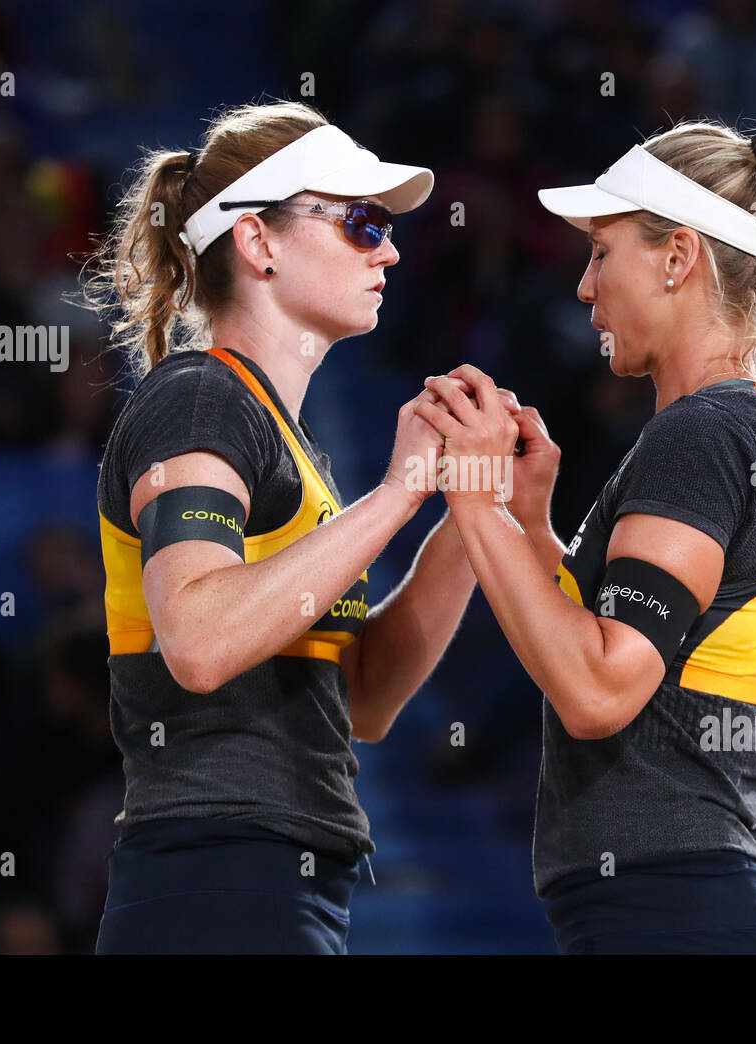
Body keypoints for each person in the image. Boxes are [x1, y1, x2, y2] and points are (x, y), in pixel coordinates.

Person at [414, 120, 756, 953]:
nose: (584, 288)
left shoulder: (702, 438)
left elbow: (601, 692)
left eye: (602, 253)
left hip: (676, 911)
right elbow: (626, 654)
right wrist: (529, 528)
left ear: (678, 258)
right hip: (689, 904)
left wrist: (469, 497)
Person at [85, 101, 479, 954]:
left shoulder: (276, 436)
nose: (392, 248)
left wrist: (473, 514)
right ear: (258, 243)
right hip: (218, 876)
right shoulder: (200, 397)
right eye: (362, 224)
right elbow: (198, 637)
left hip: (273, 880)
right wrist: (398, 495)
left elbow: (362, 702)